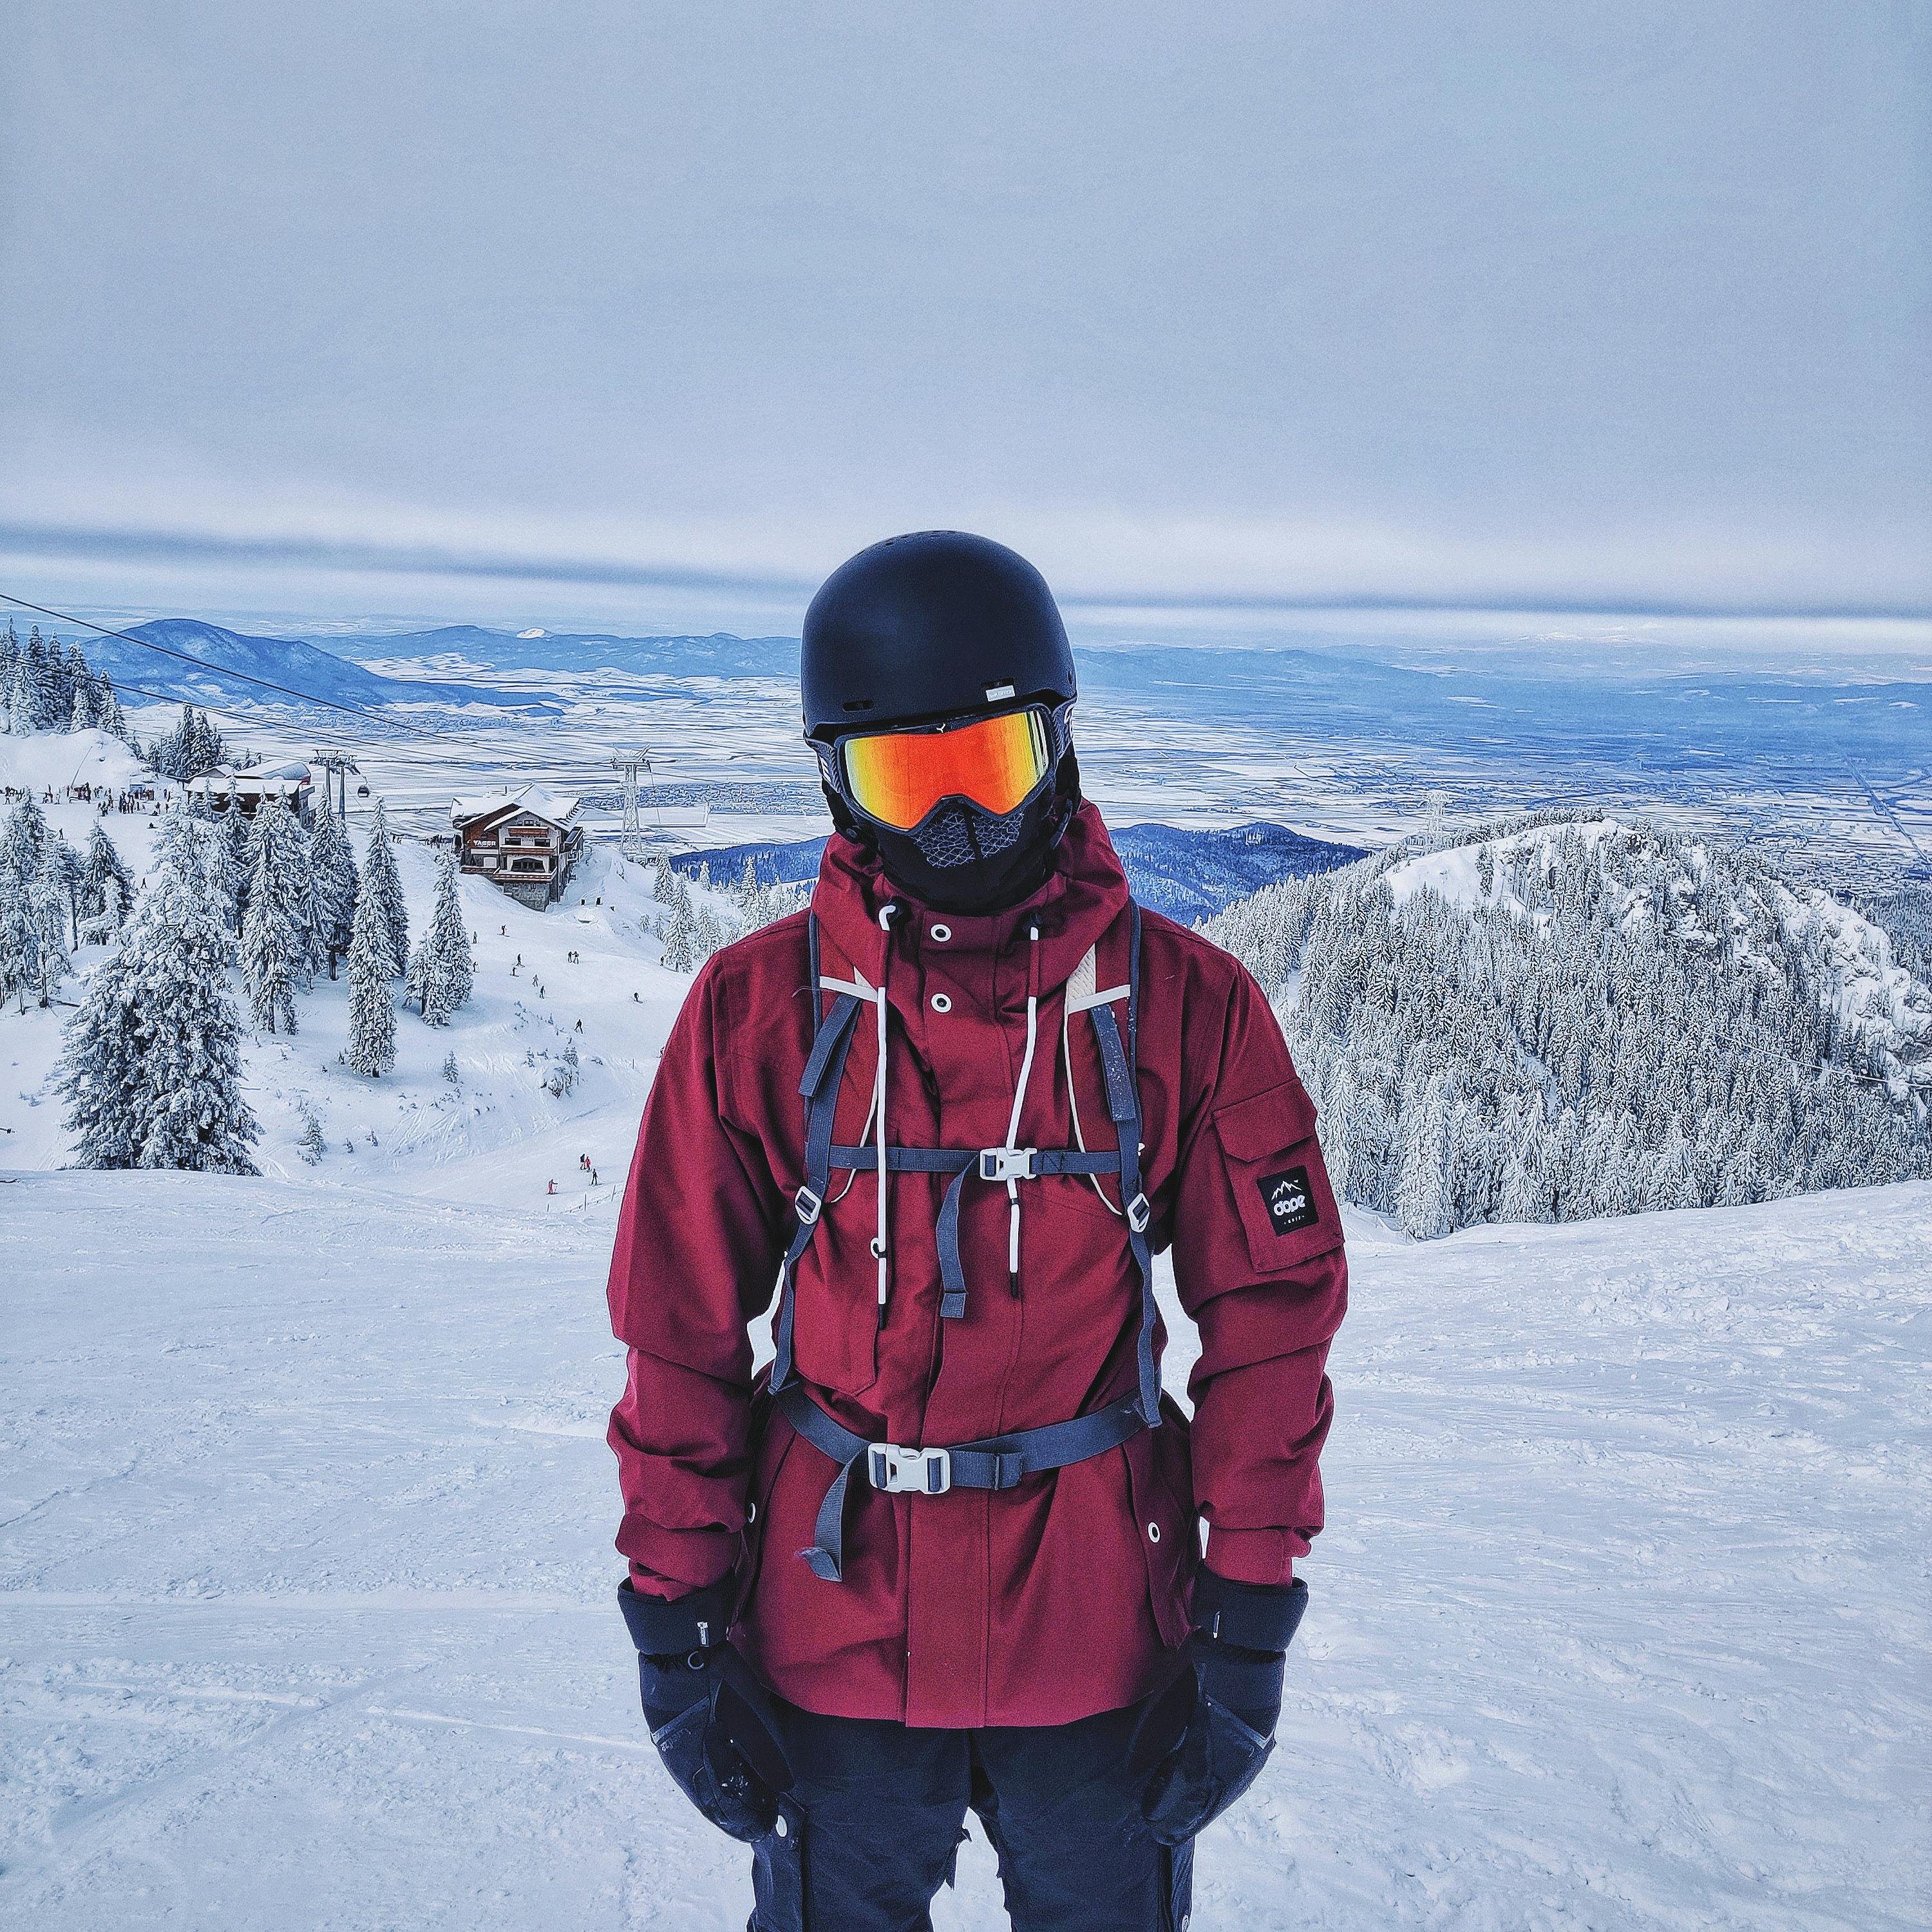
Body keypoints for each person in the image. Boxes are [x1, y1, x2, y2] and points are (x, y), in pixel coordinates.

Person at [607, 532, 1347, 1931]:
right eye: (907, 774)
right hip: (838, 1639)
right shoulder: (762, 1013)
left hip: (1102, 1643)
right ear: (838, 781)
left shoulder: (1187, 1010)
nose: (957, 821)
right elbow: (679, 1332)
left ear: (1057, 748)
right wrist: (678, 1620)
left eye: (989, 764)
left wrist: (1247, 1618)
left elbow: (1273, 1325)